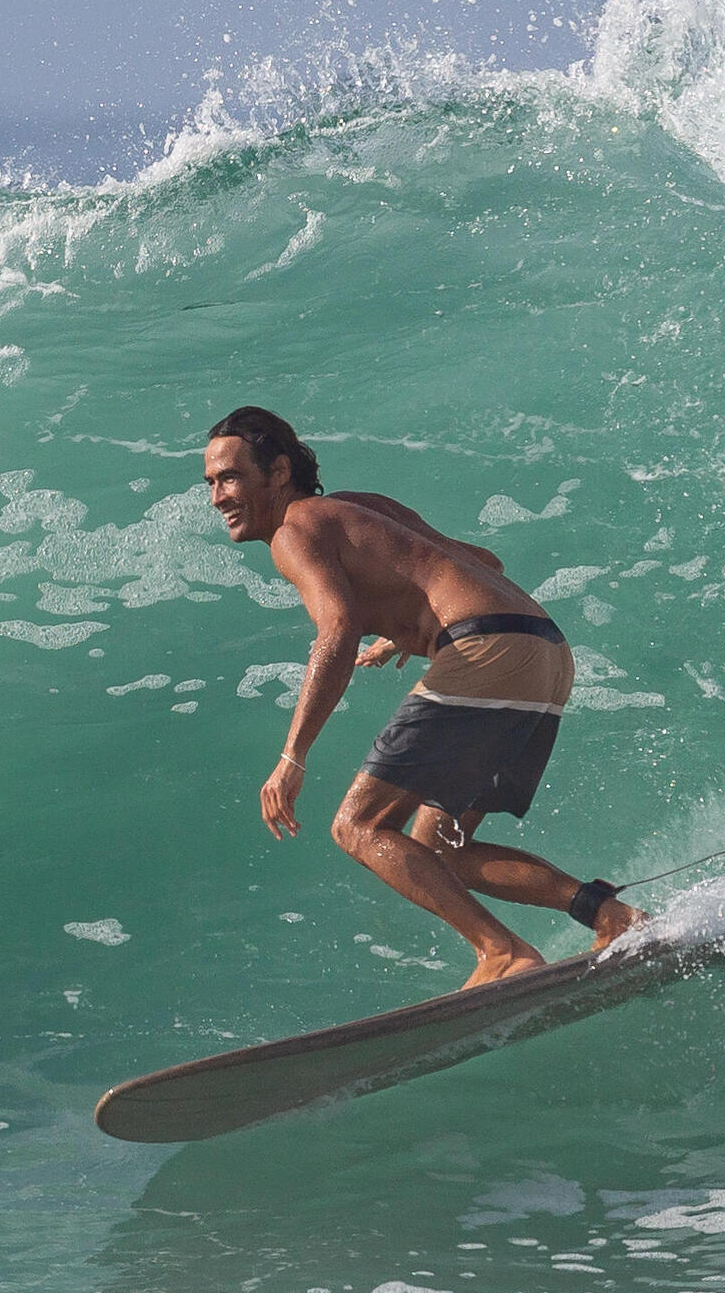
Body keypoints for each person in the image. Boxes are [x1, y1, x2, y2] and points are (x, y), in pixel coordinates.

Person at [203, 405, 646, 988]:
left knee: (358, 826)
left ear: (279, 471)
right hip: (545, 654)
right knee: (440, 845)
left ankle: (501, 952)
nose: (217, 497)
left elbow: (334, 631)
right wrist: (405, 626)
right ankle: (610, 914)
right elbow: (483, 562)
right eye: (210, 483)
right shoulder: (365, 509)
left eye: (230, 477)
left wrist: (292, 758)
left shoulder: (295, 529)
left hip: (485, 652)